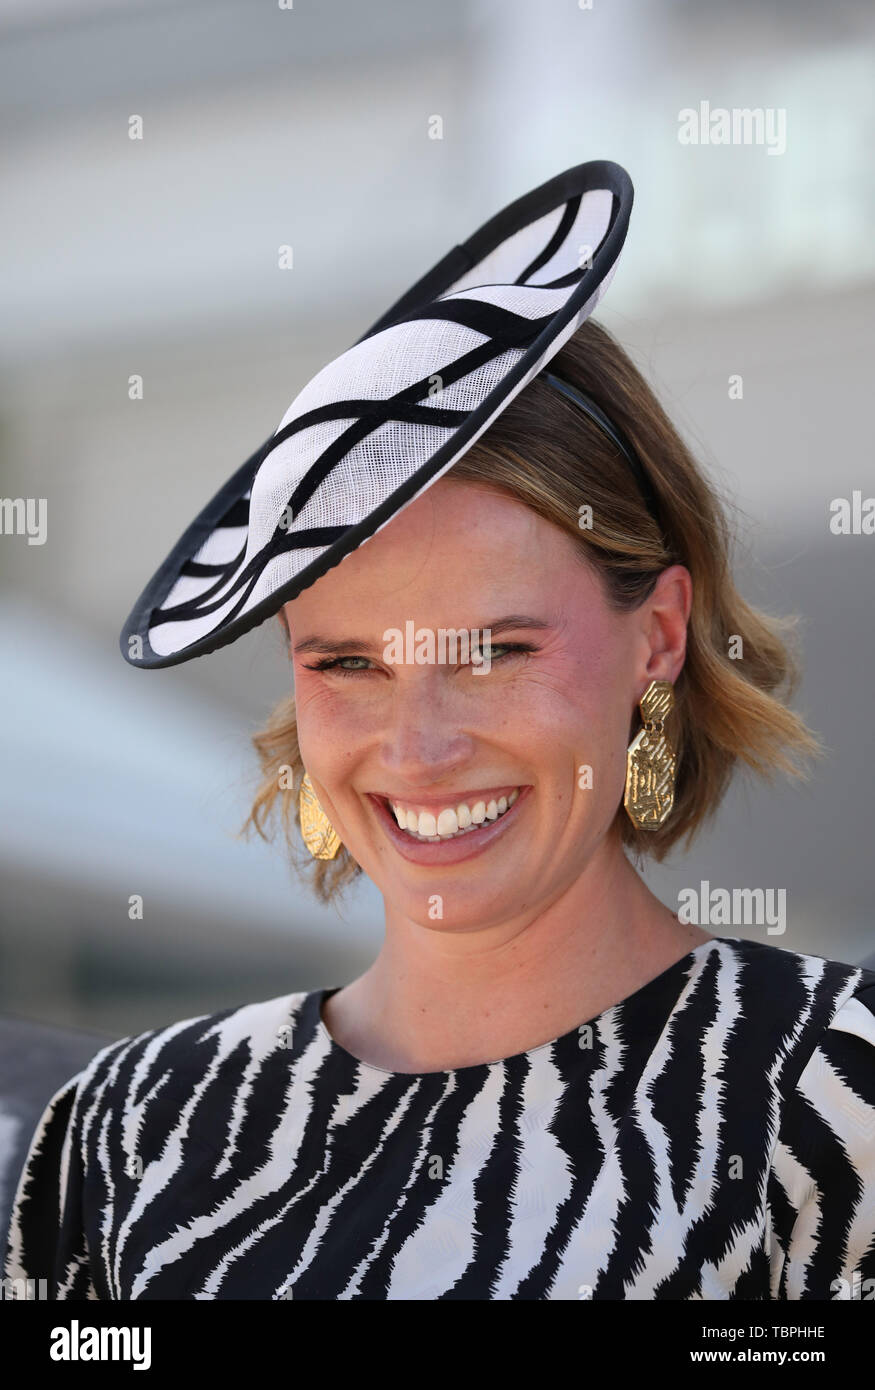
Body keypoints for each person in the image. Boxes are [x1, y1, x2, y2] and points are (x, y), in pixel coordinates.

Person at [4, 161, 874, 1300]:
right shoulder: (123, 1137)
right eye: (349, 663)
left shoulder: (828, 1098)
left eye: (494, 651)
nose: (415, 749)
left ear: (657, 637)